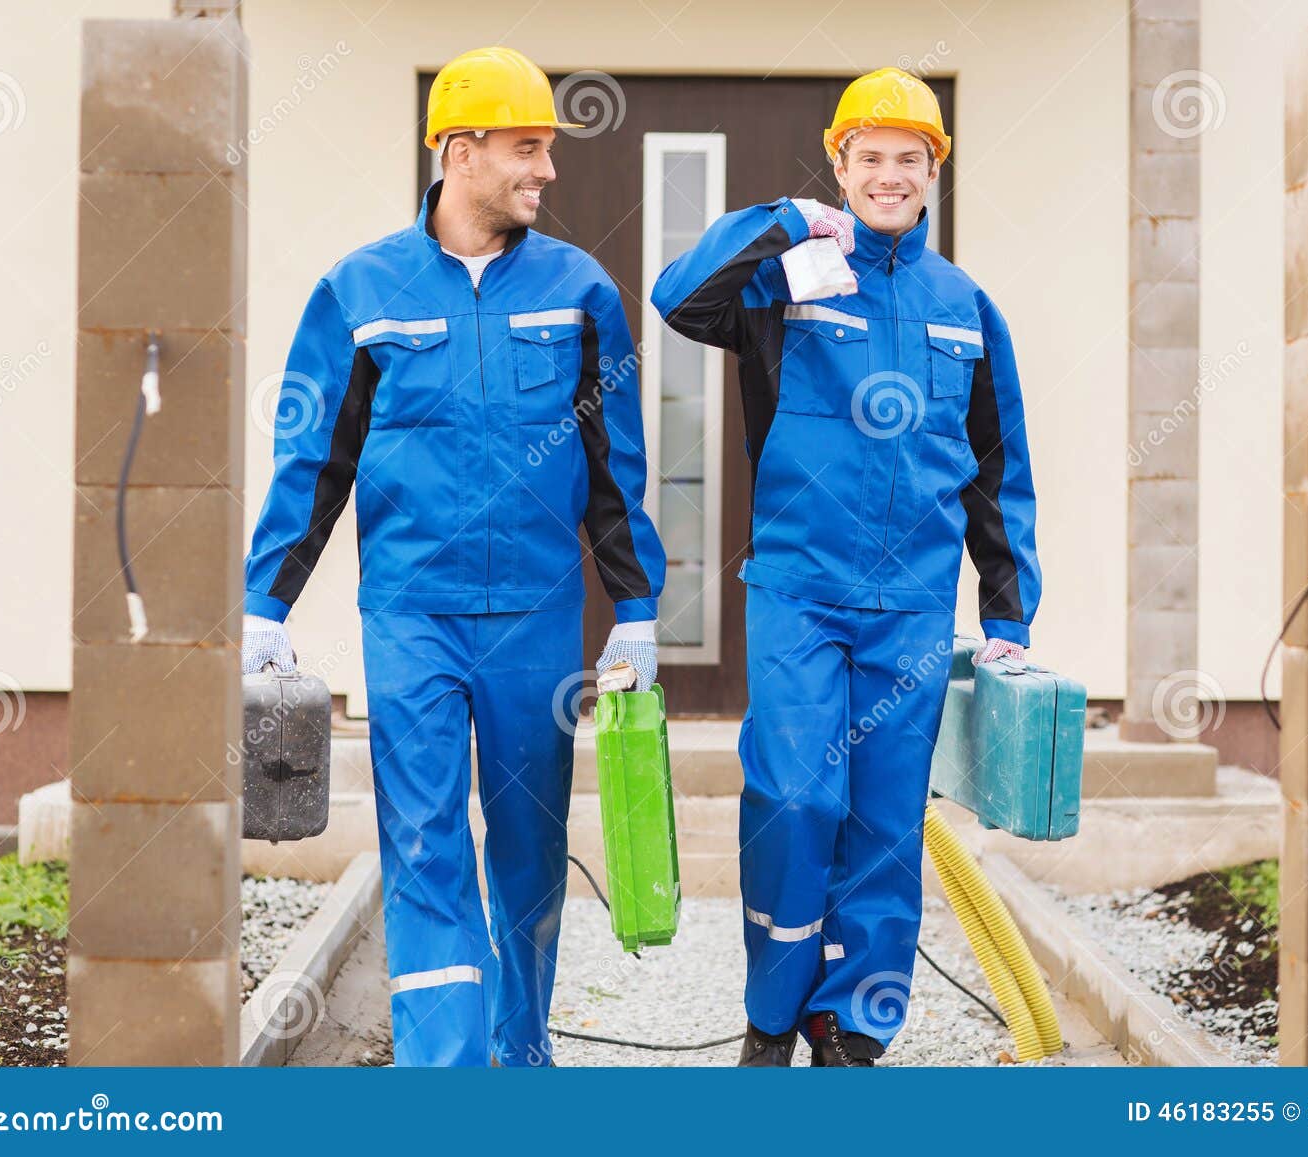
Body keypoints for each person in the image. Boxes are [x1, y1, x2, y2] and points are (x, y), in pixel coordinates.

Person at [241, 46, 665, 1067]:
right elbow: (315, 457)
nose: (547, 171)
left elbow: (617, 467)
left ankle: (519, 1055)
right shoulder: (363, 288)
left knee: (526, 852)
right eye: (527, 149)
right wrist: (266, 602)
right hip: (412, 613)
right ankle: (448, 1074)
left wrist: (638, 608)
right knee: (425, 841)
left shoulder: (578, 290)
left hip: (536, 614)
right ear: (459, 150)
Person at [651, 67, 1040, 1066]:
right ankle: (772, 1012)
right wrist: (784, 221)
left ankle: (851, 1027)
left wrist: (1007, 607)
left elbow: (997, 468)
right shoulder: (796, 276)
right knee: (793, 797)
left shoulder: (966, 306)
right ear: (840, 166)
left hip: (911, 604)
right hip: (798, 591)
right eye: (870, 158)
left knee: (881, 822)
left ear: (931, 172)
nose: (890, 175)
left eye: (909, 159)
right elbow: (678, 298)